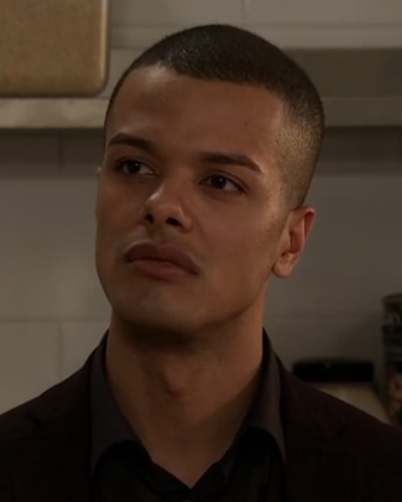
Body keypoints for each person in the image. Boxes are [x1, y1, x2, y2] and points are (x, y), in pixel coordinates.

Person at [0, 24, 401, 502]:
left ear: (291, 241)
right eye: (134, 167)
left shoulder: (382, 477)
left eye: (219, 182)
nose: (162, 205)